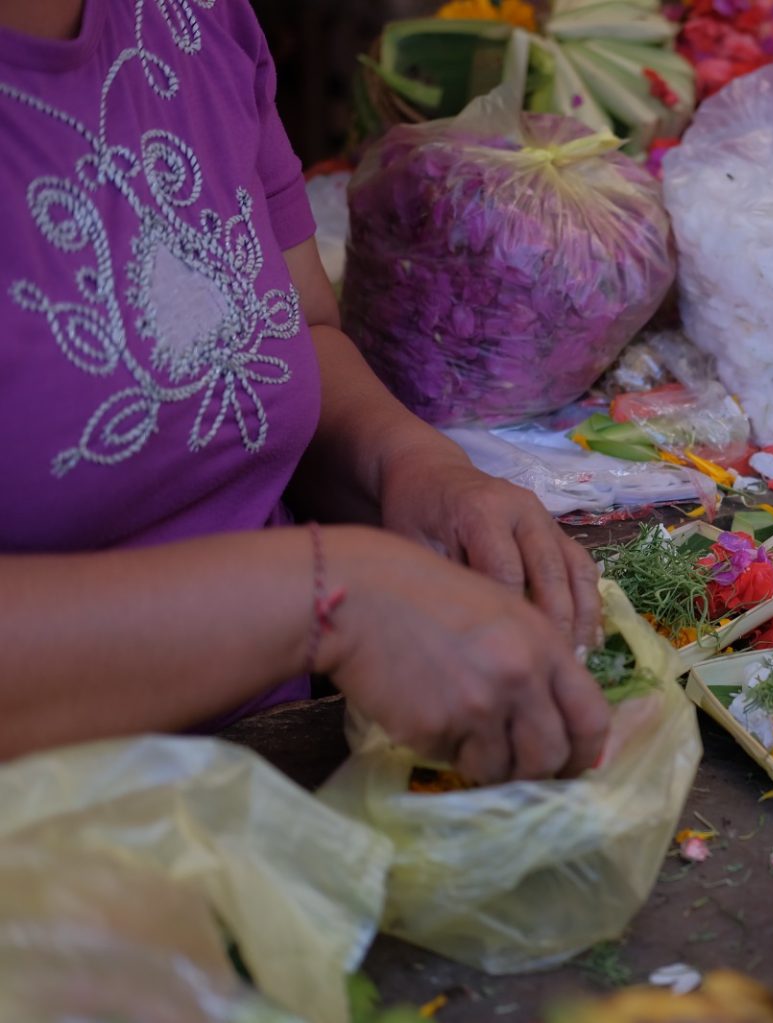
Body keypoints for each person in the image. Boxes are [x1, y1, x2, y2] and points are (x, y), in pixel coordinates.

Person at [0, 0, 612, 785]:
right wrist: (328, 596)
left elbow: (297, 336)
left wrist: (416, 467)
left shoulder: (197, 18)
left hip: (275, 763)